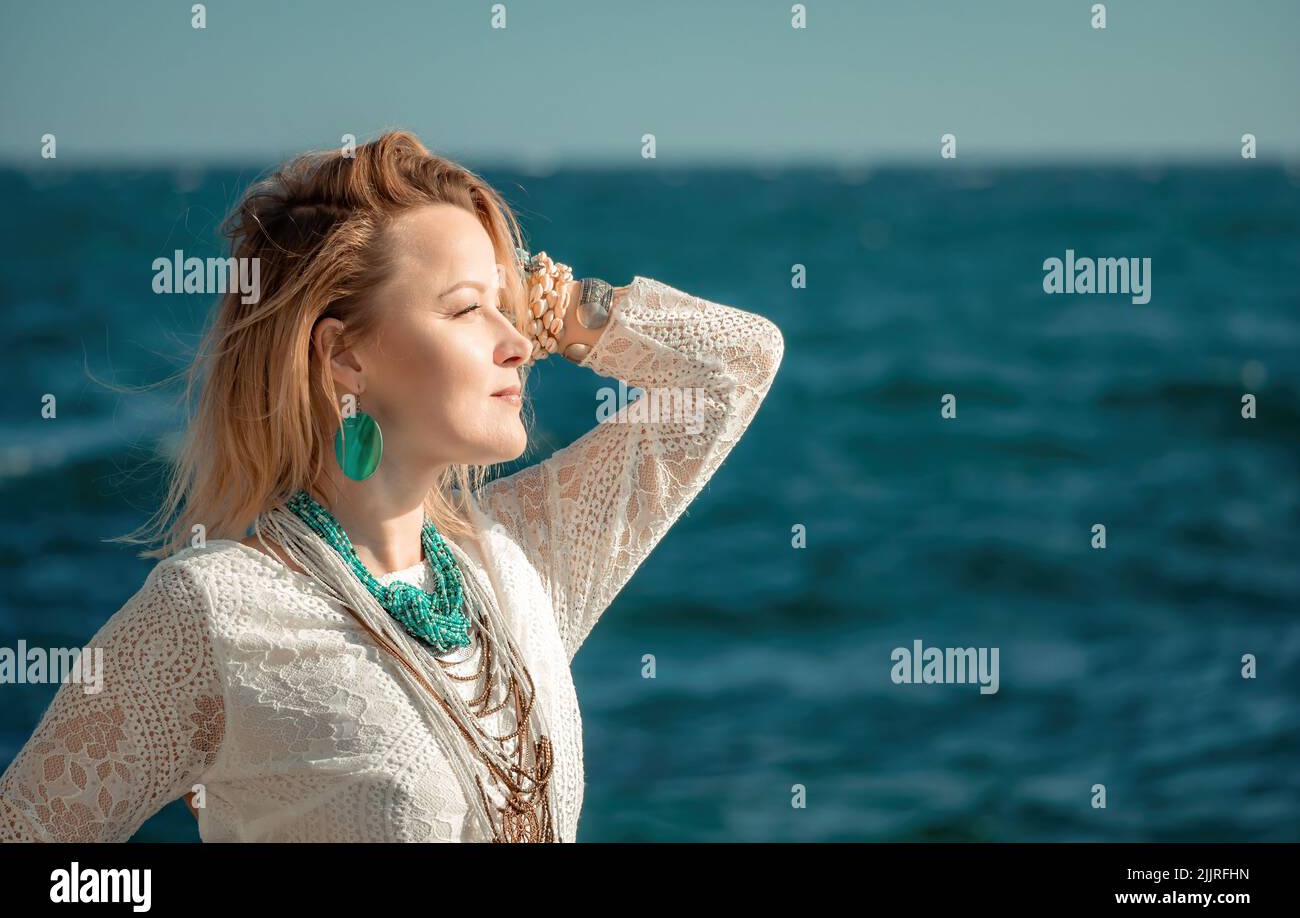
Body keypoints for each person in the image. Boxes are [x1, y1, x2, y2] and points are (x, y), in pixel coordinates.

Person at [0, 131, 785, 842]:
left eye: (508, 310)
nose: (516, 344)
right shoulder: (216, 611)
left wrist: (556, 309)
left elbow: (735, 371)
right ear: (345, 358)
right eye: (469, 310)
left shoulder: (520, 563)